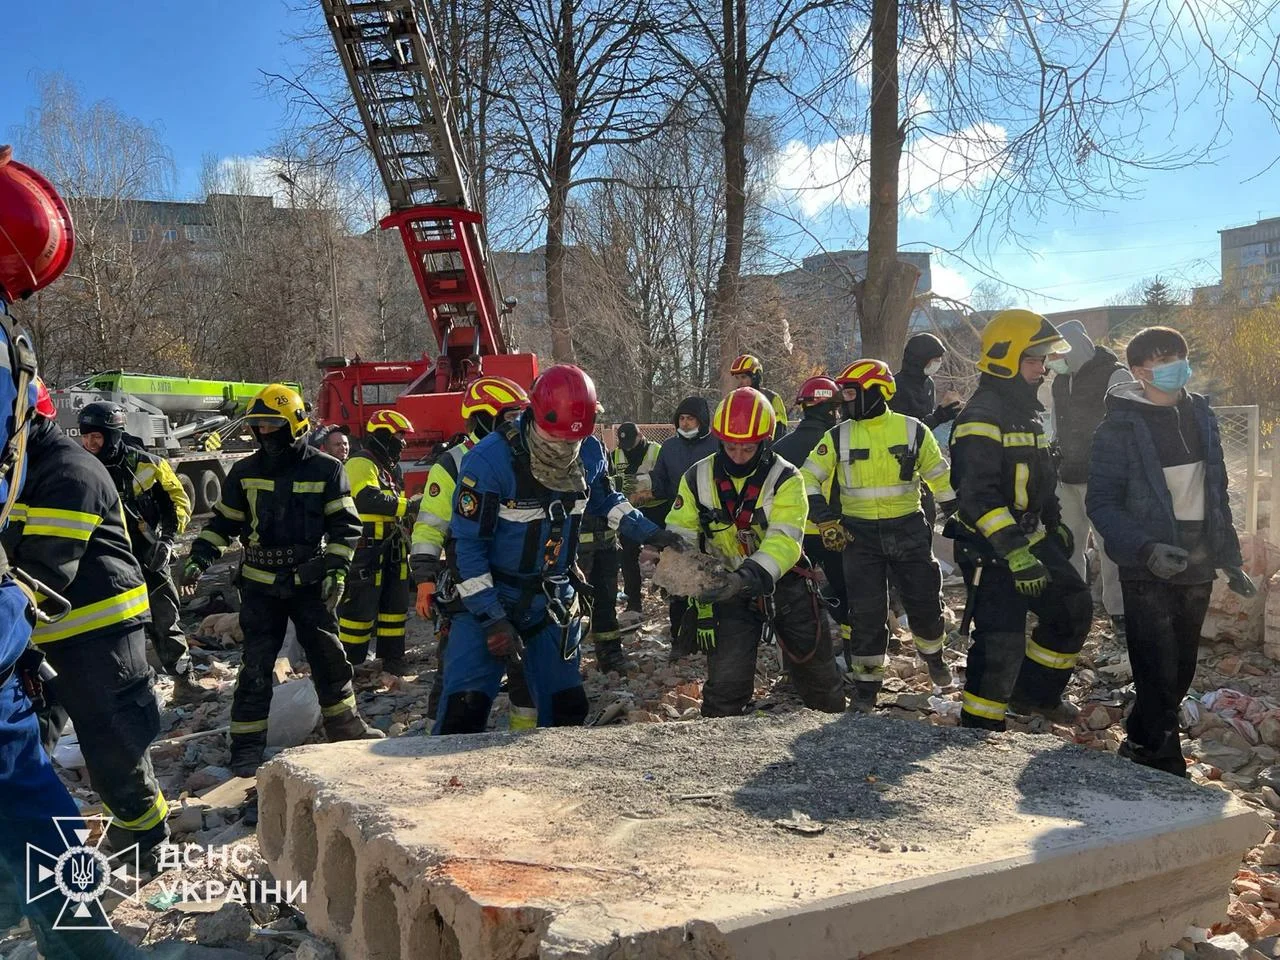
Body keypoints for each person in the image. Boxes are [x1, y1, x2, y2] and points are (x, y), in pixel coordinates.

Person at [0, 145, 145, 958]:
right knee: (28, 784)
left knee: (110, 751)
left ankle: (142, 848)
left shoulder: (77, 472)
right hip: (56, 636)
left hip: (101, 636)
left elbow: (39, 573)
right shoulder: (51, 457)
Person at [432, 365, 682, 735]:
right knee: (462, 714)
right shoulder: (489, 462)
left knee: (567, 709)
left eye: (574, 439)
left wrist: (651, 533)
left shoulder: (591, 452)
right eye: (558, 438)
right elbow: (467, 549)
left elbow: (605, 500)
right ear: (534, 415)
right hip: (488, 595)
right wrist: (491, 617)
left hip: (549, 597)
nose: (566, 447)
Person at [182, 384, 383, 775]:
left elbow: (346, 525)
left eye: (273, 425)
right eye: (258, 426)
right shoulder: (245, 471)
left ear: (295, 425)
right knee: (255, 666)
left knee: (328, 656)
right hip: (259, 585)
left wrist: (337, 568)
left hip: (308, 581)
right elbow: (224, 522)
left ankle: (344, 727)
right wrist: (200, 555)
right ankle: (245, 747)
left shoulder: (326, 469)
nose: (265, 433)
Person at [1087, 326, 1253, 777]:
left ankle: (1140, 739)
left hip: (1196, 556)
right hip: (1148, 563)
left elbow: (1215, 488)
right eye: (1163, 360)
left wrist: (1229, 553)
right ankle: (1164, 765)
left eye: (1179, 356)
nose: (1176, 367)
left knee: (1180, 666)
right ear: (1140, 371)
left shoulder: (1201, 414)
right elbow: (1100, 502)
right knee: (1155, 664)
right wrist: (1143, 547)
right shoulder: (1118, 427)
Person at [948, 310, 1093, 730]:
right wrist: (1015, 553)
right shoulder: (981, 417)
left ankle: (1035, 696)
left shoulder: (1026, 412)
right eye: (1035, 360)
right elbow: (978, 498)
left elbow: (1040, 478)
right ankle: (979, 729)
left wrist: (1055, 522)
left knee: (1072, 609)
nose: (1044, 369)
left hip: (1030, 539)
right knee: (1001, 642)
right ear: (1005, 360)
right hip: (991, 549)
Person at [667, 387, 845, 716]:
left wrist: (748, 576)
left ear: (763, 441)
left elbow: (785, 538)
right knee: (725, 689)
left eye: (746, 447)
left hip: (787, 585)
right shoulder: (697, 477)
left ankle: (834, 738)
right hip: (727, 590)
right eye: (730, 446)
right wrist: (684, 579)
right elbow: (681, 531)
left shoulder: (786, 478)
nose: (737, 454)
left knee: (820, 680)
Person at [801, 360, 957, 711]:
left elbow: (940, 477)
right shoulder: (837, 436)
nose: (844, 401)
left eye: (852, 393)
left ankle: (934, 658)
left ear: (877, 391)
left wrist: (956, 517)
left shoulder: (912, 430)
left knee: (924, 601)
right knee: (866, 613)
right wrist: (825, 518)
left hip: (909, 530)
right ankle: (867, 687)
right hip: (858, 537)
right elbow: (807, 478)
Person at [411, 375, 530, 720]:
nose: (517, 425)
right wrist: (424, 578)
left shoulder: (524, 457)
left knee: (527, 673)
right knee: (454, 671)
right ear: (482, 418)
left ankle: (528, 745)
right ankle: (438, 745)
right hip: (467, 584)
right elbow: (430, 527)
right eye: (509, 417)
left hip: (518, 580)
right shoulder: (452, 463)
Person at [76, 401, 208, 705]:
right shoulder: (79, 466)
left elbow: (177, 503)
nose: (89, 443)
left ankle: (184, 683)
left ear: (113, 435)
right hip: (102, 561)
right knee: (115, 628)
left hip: (148, 557)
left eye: (96, 437)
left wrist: (168, 541)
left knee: (165, 619)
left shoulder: (146, 464)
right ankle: (121, 694)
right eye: (85, 437)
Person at [1048, 319, 1132, 637]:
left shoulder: (1113, 374)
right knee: (1068, 544)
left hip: (1104, 478)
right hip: (1066, 476)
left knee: (1111, 548)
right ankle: (1072, 607)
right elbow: (1056, 424)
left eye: (1058, 355)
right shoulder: (1059, 381)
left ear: (1075, 348)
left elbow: (1129, 426)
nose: (1053, 362)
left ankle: (1119, 612)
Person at [337, 410, 419, 676]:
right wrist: (409, 505)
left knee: (394, 609)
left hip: (393, 547)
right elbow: (366, 500)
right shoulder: (362, 463)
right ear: (383, 434)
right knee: (359, 609)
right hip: (368, 549)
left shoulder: (387, 468)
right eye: (399, 435)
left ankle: (393, 659)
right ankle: (349, 664)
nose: (403, 442)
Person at [773, 376, 848, 654]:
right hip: (833, 534)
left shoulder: (779, 448)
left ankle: (792, 661)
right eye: (836, 409)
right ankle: (852, 658)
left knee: (789, 599)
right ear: (828, 409)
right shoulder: (839, 443)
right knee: (846, 594)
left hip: (792, 537)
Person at [650, 395, 717, 657]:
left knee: (712, 580)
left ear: (702, 420)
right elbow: (661, 485)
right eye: (682, 418)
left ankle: (713, 635)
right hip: (679, 523)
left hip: (714, 525)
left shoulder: (718, 445)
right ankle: (680, 639)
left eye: (691, 418)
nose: (686, 423)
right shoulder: (669, 448)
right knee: (679, 584)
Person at [580, 431, 628, 674]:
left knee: (606, 604)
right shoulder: (550, 447)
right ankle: (559, 666)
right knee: (565, 608)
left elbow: (606, 492)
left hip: (605, 545)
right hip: (572, 551)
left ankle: (610, 657)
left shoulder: (595, 445)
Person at [609, 422, 663, 620]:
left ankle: (669, 590)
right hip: (630, 511)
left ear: (640, 436)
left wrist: (644, 490)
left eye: (631, 443)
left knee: (666, 550)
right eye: (624, 444)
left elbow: (663, 479)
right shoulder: (616, 455)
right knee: (627, 554)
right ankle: (633, 602)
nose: (628, 448)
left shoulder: (656, 451)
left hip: (657, 509)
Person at [890, 332, 962, 428]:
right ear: (919, 360)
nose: (939, 362)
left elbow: (924, 417)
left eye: (940, 358)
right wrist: (937, 417)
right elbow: (905, 431)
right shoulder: (896, 387)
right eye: (935, 359)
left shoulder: (928, 384)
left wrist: (946, 410)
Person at [730, 354, 788, 438]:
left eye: (743, 377)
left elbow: (780, 429)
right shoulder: (733, 400)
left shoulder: (772, 398)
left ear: (755, 376)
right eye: (737, 378)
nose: (740, 382)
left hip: (765, 447)